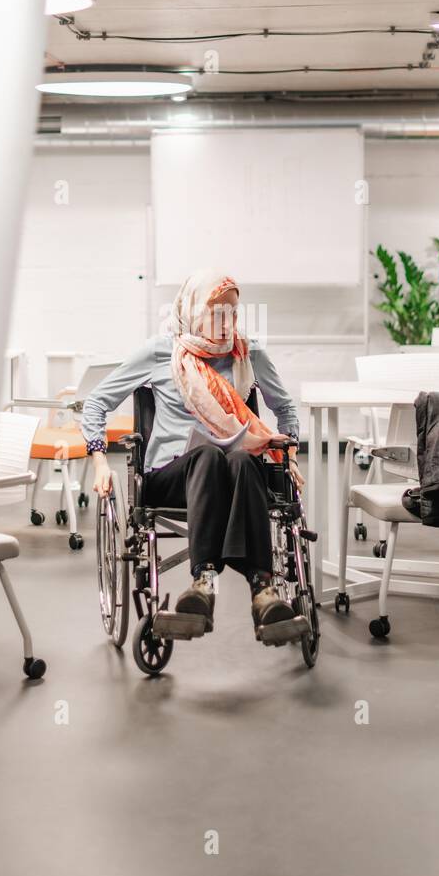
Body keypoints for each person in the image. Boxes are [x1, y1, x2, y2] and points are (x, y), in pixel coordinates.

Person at [81, 270, 308, 645]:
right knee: (207, 453)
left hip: (237, 476)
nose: (226, 323)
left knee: (240, 459)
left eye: (232, 313)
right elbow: (96, 403)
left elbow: (286, 408)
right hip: (172, 476)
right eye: (215, 312)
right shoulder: (160, 351)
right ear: (190, 310)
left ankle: (263, 591)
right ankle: (203, 581)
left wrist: (293, 457)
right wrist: (100, 461)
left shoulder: (248, 353)